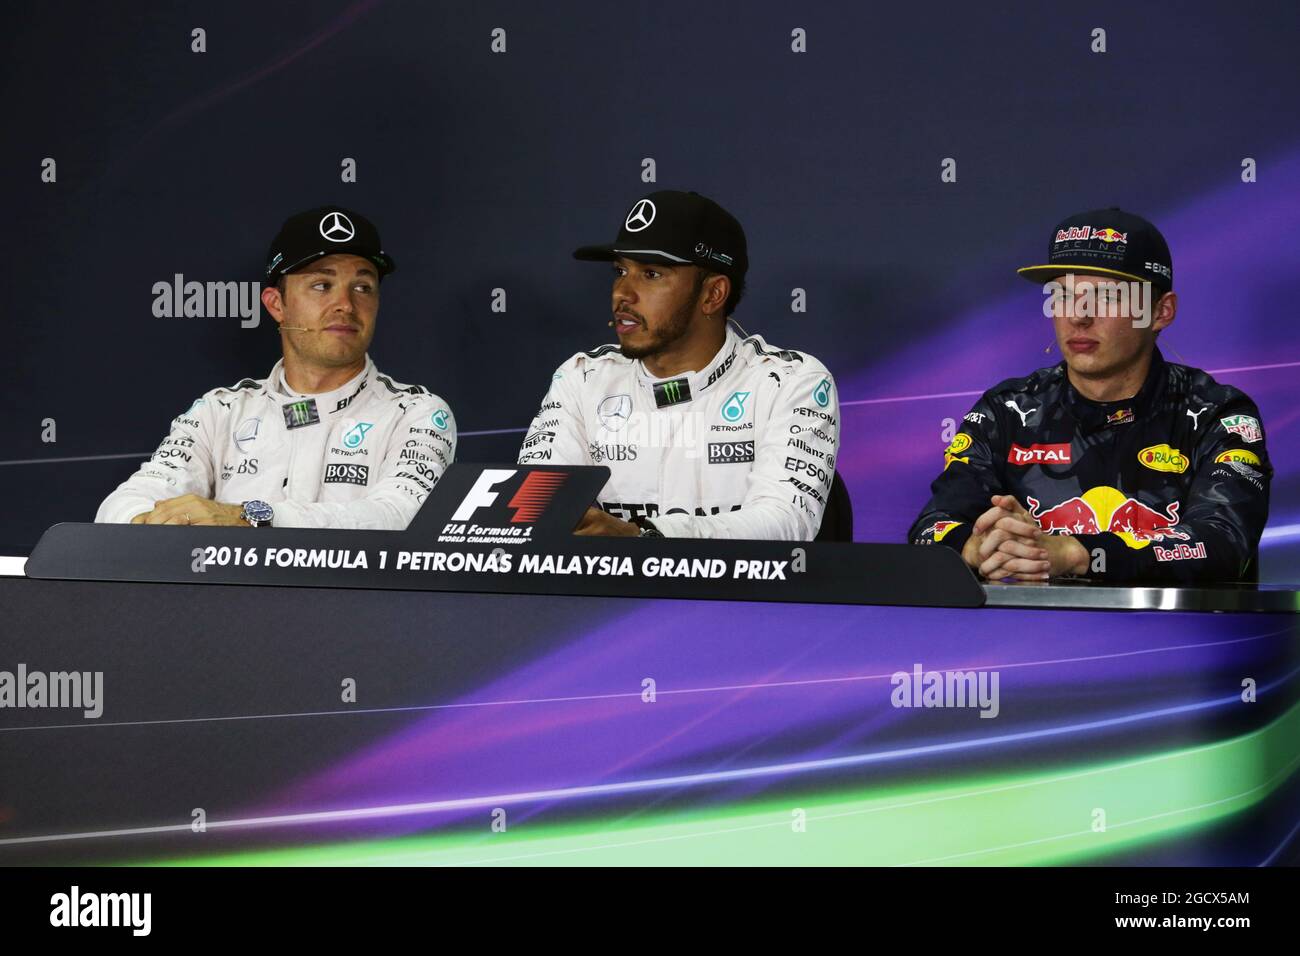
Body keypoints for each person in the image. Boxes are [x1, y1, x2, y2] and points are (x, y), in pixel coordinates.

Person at [909, 207, 1271, 583]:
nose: (1078, 316)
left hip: (1171, 641)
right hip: (1029, 641)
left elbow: (1224, 543)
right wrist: (977, 548)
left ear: (1161, 312)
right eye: (1063, 296)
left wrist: (1076, 553)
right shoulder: (1007, 411)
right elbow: (931, 526)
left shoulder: (1218, 414)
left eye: (1107, 297)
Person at [96, 206, 456, 529]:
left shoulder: (416, 414)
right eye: (321, 285)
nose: (345, 304)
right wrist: (152, 525)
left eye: (362, 287)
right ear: (276, 304)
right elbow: (124, 503)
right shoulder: (219, 411)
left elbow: (400, 516)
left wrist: (248, 516)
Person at [518, 189, 840, 540]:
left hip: (740, 596)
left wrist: (645, 539)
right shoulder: (581, 379)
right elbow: (537, 512)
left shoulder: (790, 382)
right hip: (609, 596)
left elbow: (784, 523)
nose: (621, 293)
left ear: (712, 294)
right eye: (620, 270)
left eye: (651, 274)